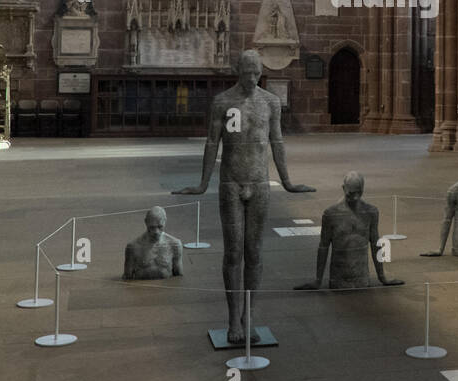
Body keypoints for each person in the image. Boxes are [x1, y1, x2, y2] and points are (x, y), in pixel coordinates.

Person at [173, 49, 314, 343]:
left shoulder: (270, 102)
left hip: (259, 183)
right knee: (233, 253)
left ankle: (248, 317)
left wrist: (287, 182)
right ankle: (232, 320)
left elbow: (277, 142)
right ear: (238, 70)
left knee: (255, 252)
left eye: (256, 73)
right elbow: (212, 143)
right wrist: (202, 184)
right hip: (231, 183)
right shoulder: (222, 101)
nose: (252, 78)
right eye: (247, 72)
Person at [295, 172, 404, 290]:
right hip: (338, 280)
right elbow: (323, 247)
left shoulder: (371, 212)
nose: (355, 197)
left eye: (359, 192)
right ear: (343, 188)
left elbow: (375, 244)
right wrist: (318, 281)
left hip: (362, 279)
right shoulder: (331, 214)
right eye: (351, 193)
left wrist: (382, 277)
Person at [122, 206, 183, 280]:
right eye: (152, 227)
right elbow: (127, 277)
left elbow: (178, 276)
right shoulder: (133, 247)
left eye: (160, 227)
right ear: (146, 222)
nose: (156, 232)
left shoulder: (175, 245)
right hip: (142, 286)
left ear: (165, 221)